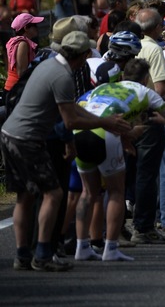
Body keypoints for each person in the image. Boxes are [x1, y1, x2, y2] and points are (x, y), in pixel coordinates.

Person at [1, 30, 133, 272]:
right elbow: (71, 120)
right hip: (28, 138)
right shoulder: (62, 76)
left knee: (25, 195)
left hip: (11, 133)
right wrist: (106, 123)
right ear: (82, 56)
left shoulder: (48, 64)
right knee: (53, 194)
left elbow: (71, 109)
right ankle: (42, 255)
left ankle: (22, 255)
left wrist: (95, 122)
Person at [73, 56, 165, 263]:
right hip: (107, 133)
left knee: (88, 192)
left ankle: (82, 246)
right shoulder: (145, 92)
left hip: (81, 131)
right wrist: (153, 118)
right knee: (116, 191)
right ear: (145, 79)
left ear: (123, 75)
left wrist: (125, 138)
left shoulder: (102, 88)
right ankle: (111, 248)